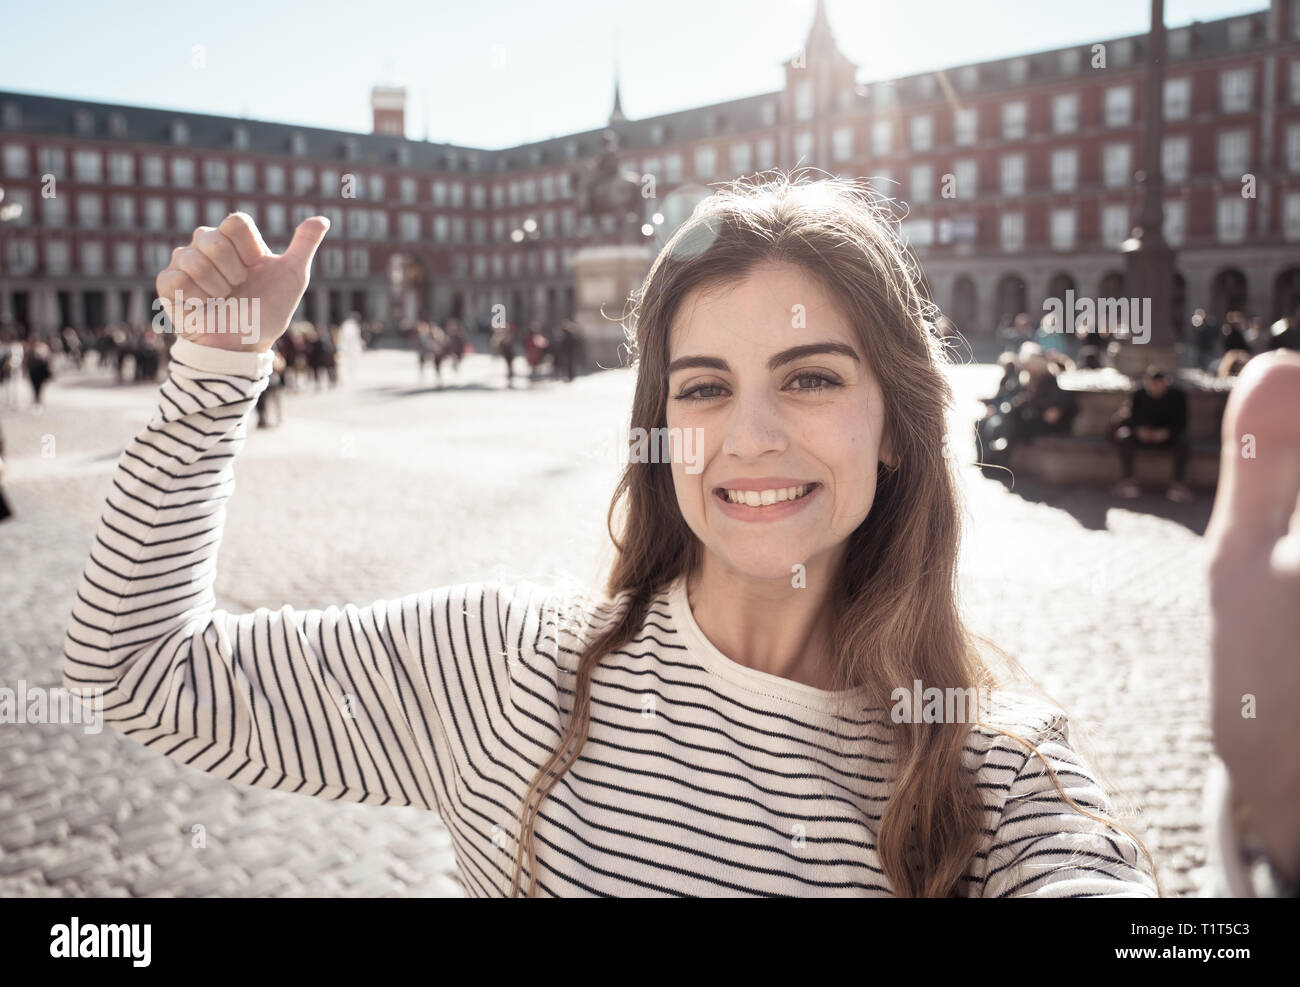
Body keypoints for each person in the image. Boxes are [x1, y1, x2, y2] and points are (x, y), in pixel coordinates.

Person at [65, 182, 1163, 898]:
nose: (751, 436)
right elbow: (139, 667)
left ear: (896, 428)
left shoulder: (995, 775)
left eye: (811, 378)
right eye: (703, 388)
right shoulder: (500, 670)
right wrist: (216, 374)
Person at [1109, 367, 1192, 502]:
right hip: (1142, 436)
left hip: (1167, 437)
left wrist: (1166, 433)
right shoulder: (1138, 394)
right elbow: (1130, 418)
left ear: (1165, 384)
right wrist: (1139, 430)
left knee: (1184, 441)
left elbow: (1182, 422)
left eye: (1159, 385)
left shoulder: (1178, 396)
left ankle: (1178, 484)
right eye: (1153, 385)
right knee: (1124, 436)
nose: (1156, 389)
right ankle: (1128, 480)